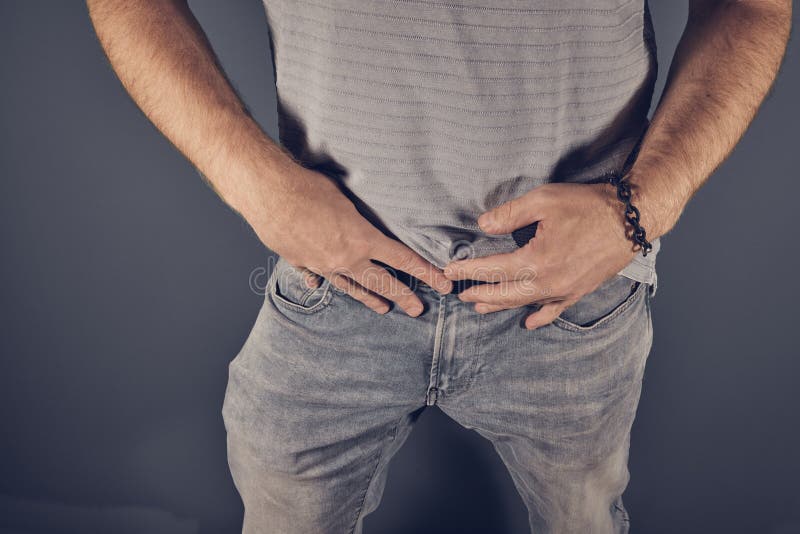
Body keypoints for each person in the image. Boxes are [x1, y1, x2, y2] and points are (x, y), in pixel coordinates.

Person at [87, 1, 791, 532]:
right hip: (336, 286)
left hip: (570, 296)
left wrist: (635, 213)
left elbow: (752, 6)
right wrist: (253, 183)